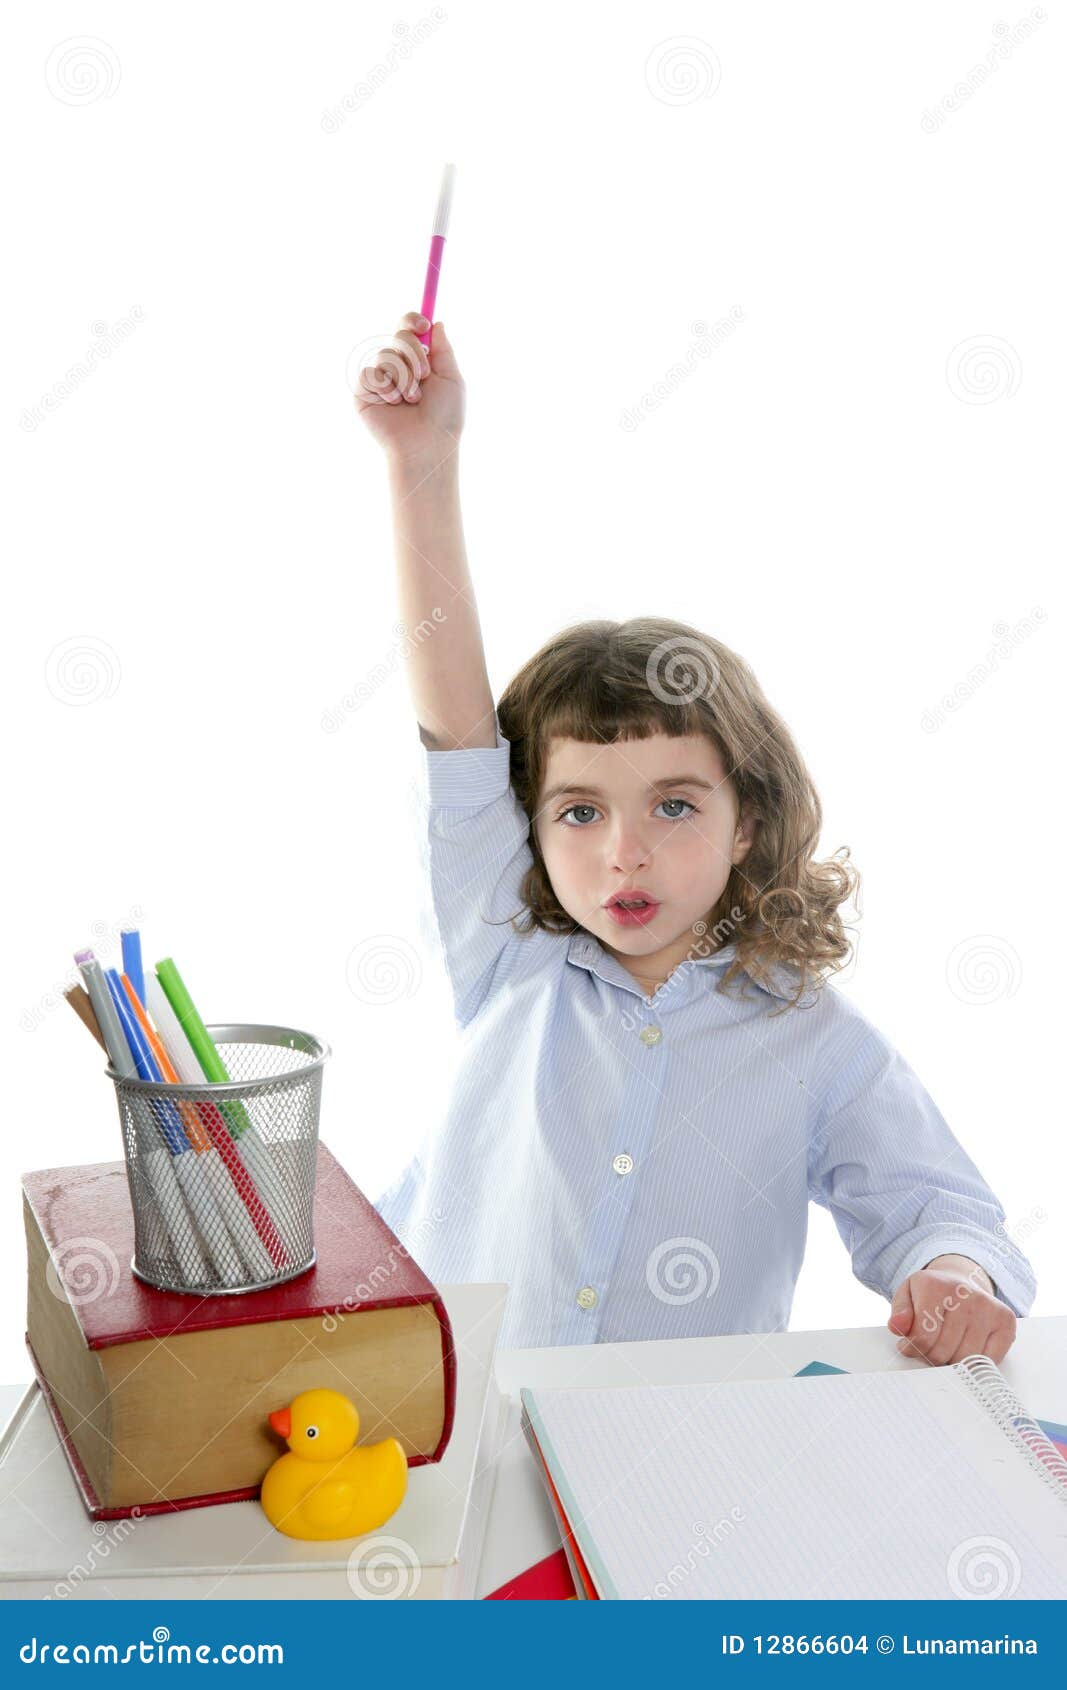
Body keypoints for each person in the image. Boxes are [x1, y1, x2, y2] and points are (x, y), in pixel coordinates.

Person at [354, 309, 1035, 1364]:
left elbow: (935, 1208)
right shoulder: (508, 953)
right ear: (526, 825)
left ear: (744, 820)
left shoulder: (812, 1038)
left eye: (673, 806)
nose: (622, 851)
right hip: (452, 1435)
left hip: (676, 1466)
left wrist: (951, 1275)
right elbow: (453, 719)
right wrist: (421, 464)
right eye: (579, 811)